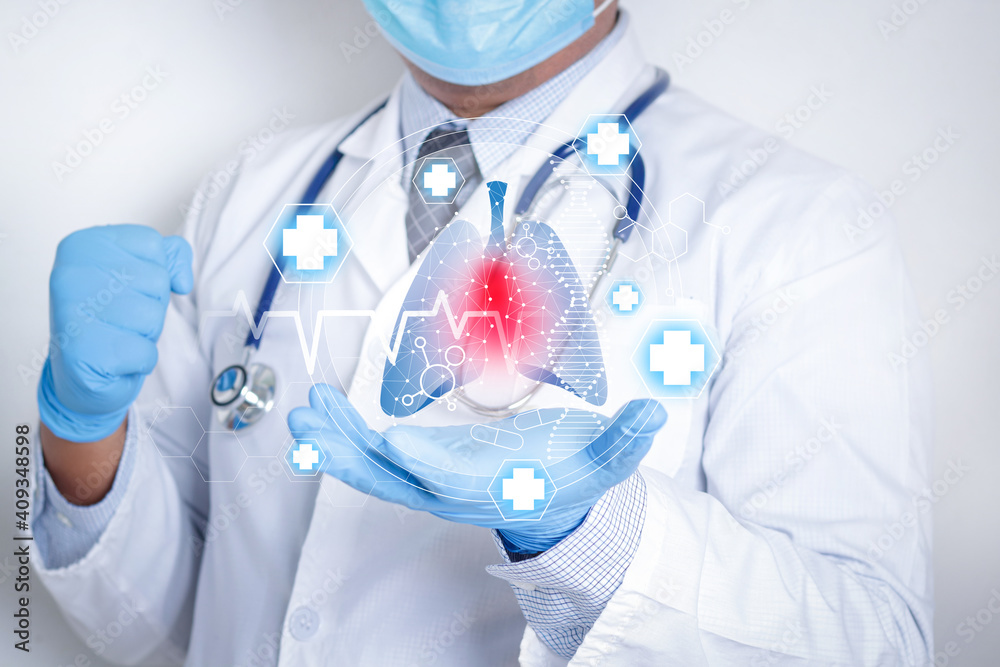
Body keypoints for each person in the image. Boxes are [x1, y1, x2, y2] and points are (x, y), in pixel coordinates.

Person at [31, 1, 934, 665]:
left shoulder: (794, 225)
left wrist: (590, 534)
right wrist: (79, 432)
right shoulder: (252, 194)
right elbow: (155, 631)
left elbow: (876, 644)